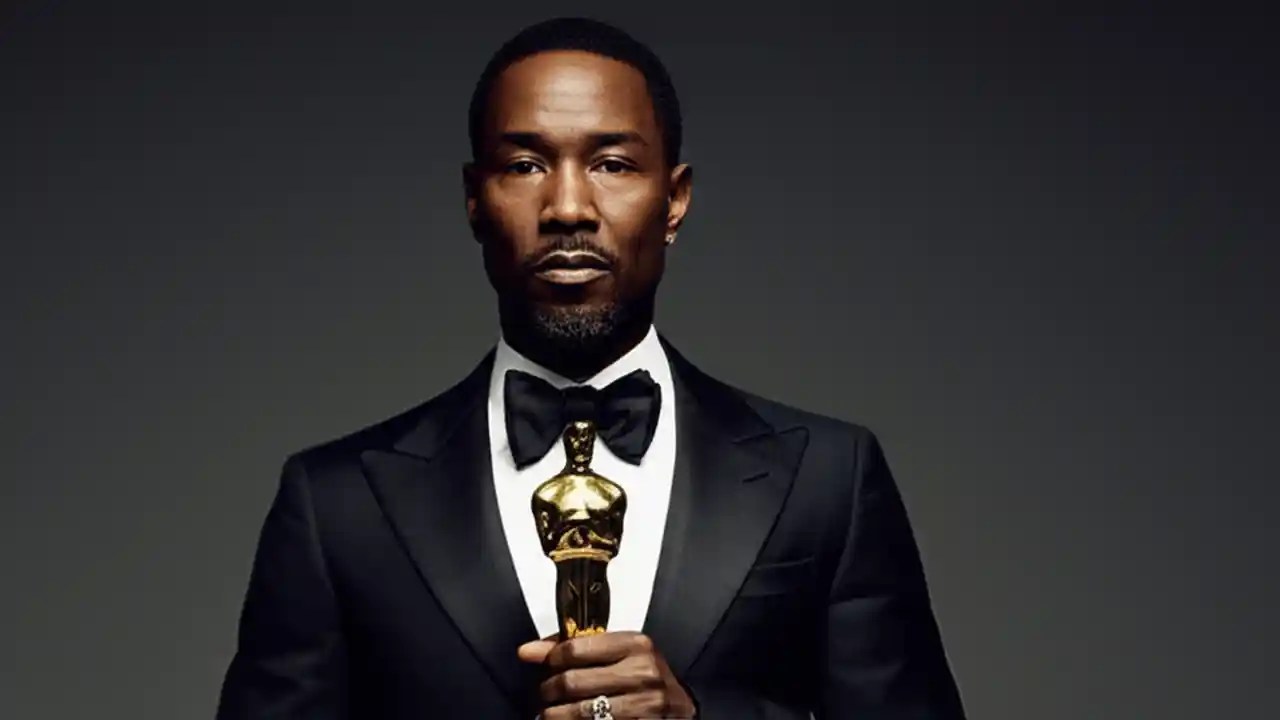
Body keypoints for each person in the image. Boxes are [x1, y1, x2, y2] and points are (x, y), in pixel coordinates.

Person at [215, 16, 967, 720]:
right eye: (525, 164)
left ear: (673, 200)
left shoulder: (830, 478)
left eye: (611, 163)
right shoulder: (336, 504)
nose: (569, 206)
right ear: (475, 201)